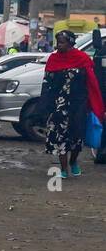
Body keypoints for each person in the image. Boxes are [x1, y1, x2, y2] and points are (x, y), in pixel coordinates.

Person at [39, 30, 105, 179]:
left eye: (61, 42)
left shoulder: (82, 59)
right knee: (60, 136)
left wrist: (94, 103)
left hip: (78, 104)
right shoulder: (53, 59)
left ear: (70, 43)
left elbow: (91, 83)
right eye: (58, 42)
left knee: (76, 136)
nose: (58, 46)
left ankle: (73, 161)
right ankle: (63, 168)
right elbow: (46, 82)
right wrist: (44, 103)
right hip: (59, 105)